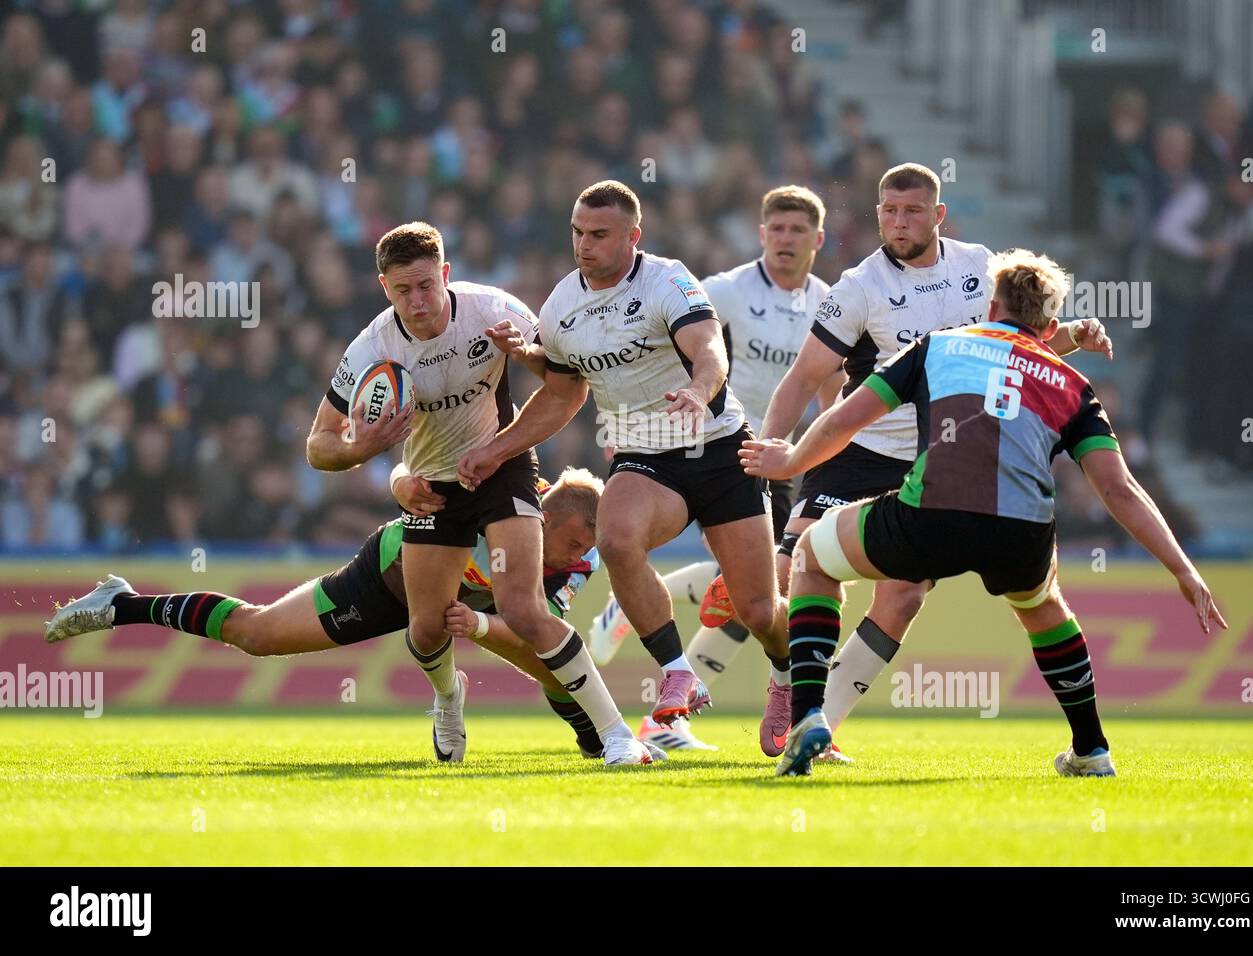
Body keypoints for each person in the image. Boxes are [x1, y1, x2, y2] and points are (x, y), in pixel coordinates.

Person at [740, 248, 1225, 776]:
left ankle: (810, 714)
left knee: (811, 557)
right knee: (1044, 608)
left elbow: (845, 419)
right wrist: (1183, 568)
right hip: (1021, 532)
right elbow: (1119, 489)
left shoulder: (939, 347)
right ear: (1050, 325)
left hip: (932, 516)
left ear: (991, 308)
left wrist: (790, 459)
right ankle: (1091, 748)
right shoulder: (1070, 383)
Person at [704, 163, 1112, 760]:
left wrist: (1071, 335)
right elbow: (806, 376)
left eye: (913, 212)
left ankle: (817, 729)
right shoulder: (860, 287)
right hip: (860, 447)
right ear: (877, 216)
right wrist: (768, 457)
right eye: (889, 213)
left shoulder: (979, 268)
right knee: (798, 570)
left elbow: (1013, 347)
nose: (899, 223)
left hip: (936, 459)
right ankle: (787, 674)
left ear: (938, 216)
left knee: (901, 598)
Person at [458, 181, 793, 756]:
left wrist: (698, 387)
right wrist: (498, 447)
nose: (584, 246)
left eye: (599, 235)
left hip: (719, 449)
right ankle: (678, 670)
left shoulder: (667, 279)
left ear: (633, 237)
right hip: (645, 455)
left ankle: (788, 679)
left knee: (760, 610)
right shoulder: (562, 305)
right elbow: (565, 396)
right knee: (615, 541)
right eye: (577, 233)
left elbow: (710, 349)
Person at [305, 221, 657, 766]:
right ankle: (449, 698)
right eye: (403, 291)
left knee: (522, 606)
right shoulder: (372, 349)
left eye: (426, 285)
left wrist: (530, 359)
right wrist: (362, 447)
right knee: (426, 628)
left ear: (445, 273)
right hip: (432, 487)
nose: (418, 301)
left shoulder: (494, 310)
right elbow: (319, 446)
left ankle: (617, 736)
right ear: (384, 288)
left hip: (500, 467)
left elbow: (568, 387)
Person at [43, 470, 615, 759]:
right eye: (572, 543)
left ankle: (594, 739)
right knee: (257, 634)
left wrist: (485, 626)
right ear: (550, 512)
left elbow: (540, 636)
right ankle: (124, 603)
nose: (574, 558)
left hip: (474, 606)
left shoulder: (574, 564)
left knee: (548, 653)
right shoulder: (500, 493)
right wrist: (399, 480)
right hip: (393, 572)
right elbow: (408, 476)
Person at [586, 184, 835, 751]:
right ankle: (782, 701)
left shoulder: (830, 304)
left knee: (754, 599)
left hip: (787, 456)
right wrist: (632, 422)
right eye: (777, 229)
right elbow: (663, 341)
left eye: (798, 230)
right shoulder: (724, 291)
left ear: (817, 240)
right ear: (762, 234)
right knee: (760, 593)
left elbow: (832, 385)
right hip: (725, 446)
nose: (786, 240)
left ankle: (663, 706)